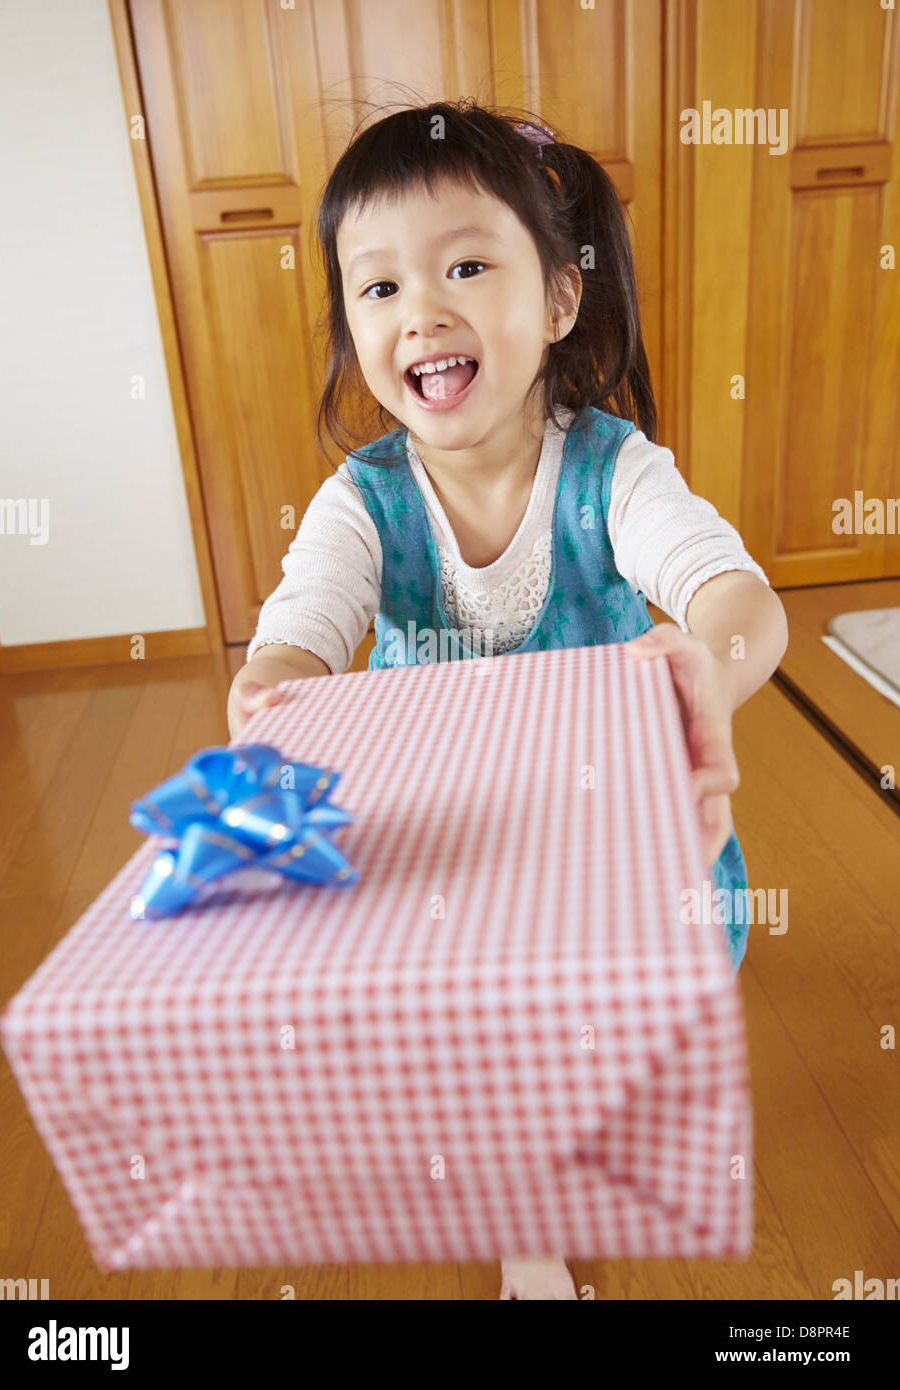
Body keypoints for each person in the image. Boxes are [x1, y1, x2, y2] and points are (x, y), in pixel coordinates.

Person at [227, 100, 789, 1299]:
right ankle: (528, 1228)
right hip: (453, 847)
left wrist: (709, 661)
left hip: (609, 845)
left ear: (556, 302)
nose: (419, 310)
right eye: (376, 289)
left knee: (615, 1046)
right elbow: (301, 631)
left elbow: (738, 598)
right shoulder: (359, 502)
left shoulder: (615, 471)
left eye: (466, 266)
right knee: (478, 1047)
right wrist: (273, 696)